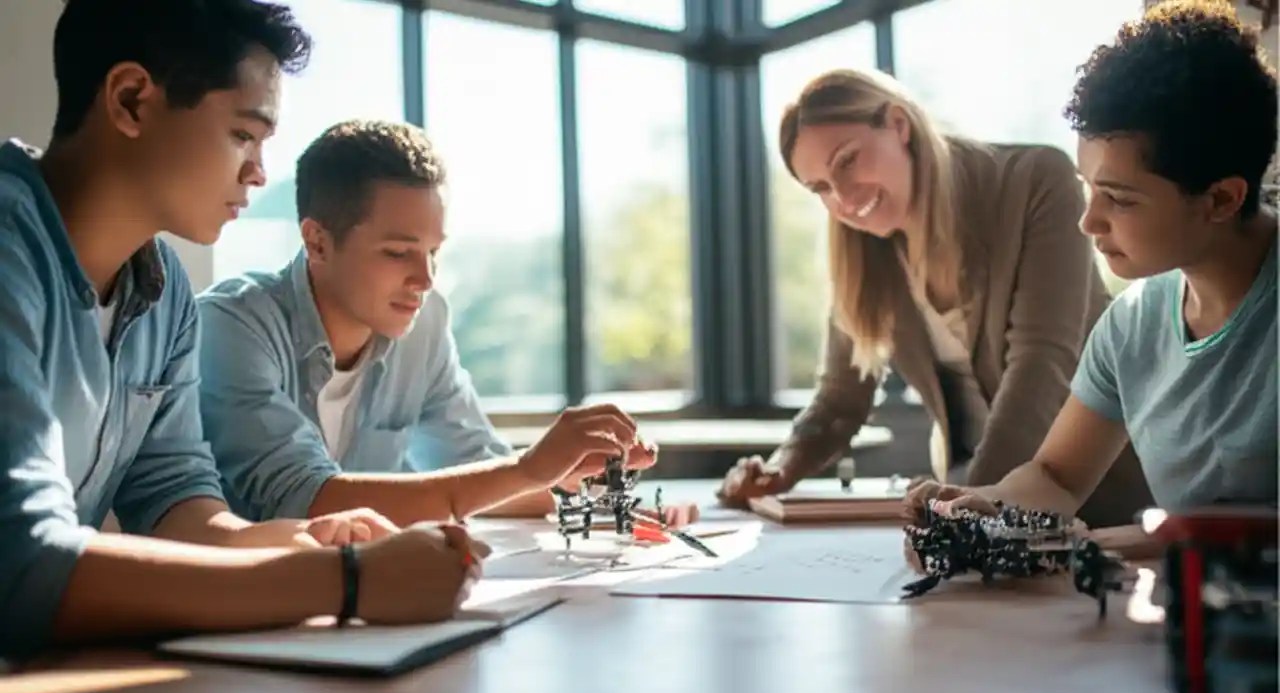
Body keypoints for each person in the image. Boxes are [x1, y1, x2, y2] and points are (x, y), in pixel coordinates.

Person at [0, 0, 489, 661]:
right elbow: (18, 563)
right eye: (242, 135)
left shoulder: (166, 293)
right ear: (132, 100)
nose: (259, 172)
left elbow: (179, 505)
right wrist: (345, 583)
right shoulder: (10, 250)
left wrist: (305, 542)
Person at [904, 0, 1277, 557]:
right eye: (1088, 188)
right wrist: (985, 503)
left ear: (1221, 199)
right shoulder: (1132, 325)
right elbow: (1056, 477)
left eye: (1119, 199)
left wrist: (1135, 540)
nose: (1089, 221)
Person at [197, 120, 693, 528]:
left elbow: (476, 470)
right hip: (250, 602)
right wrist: (529, 469)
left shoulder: (424, 323)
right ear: (317, 242)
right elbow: (305, 499)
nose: (425, 279)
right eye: (398, 253)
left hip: (374, 591)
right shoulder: (232, 327)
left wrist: (599, 499)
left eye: (434, 251)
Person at [717, 66, 1152, 528]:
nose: (842, 198)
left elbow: (1041, 366)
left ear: (898, 124)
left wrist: (970, 503)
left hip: (1093, 503)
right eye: (820, 188)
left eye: (847, 161)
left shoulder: (1035, 182)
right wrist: (779, 470)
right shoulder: (870, 256)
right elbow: (839, 400)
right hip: (971, 508)